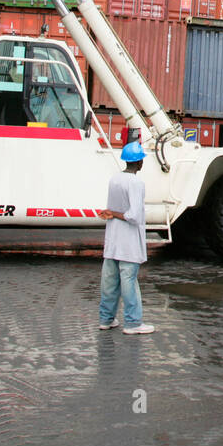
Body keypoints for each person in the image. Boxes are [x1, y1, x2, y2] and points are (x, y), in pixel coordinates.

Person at [97, 141, 154, 335]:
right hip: (129, 244)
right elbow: (134, 216)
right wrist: (116, 213)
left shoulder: (114, 179)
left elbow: (113, 209)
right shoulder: (136, 183)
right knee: (129, 284)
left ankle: (106, 319)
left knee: (109, 284)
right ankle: (133, 323)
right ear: (139, 163)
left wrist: (112, 213)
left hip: (113, 242)